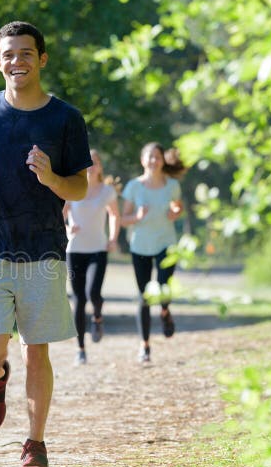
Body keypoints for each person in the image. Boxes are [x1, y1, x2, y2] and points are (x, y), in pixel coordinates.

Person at [0, 21, 91, 467]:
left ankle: (34, 443)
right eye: (8, 54)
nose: (17, 62)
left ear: (42, 58)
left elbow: (80, 187)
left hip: (44, 248)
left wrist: (52, 178)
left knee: (38, 349)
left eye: (26, 53)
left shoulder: (65, 118)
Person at [120, 142, 185, 364]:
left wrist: (175, 212)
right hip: (140, 246)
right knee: (145, 297)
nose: (154, 161)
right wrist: (137, 217)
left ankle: (165, 311)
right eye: (149, 157)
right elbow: (123, 219)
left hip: (166, 243)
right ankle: (144, 345)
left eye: (157, 157)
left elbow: (178, 207)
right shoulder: (134, 187)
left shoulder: (172, 185)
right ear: (142, 160)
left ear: (162, 161)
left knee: (164, 289)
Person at [62, 149, 120, 366]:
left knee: (93, 293)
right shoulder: (73, 189)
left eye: (94, 162)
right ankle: (81, 349)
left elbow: (114, 215)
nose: (90, 166)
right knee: (78, 300)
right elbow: (61, 215)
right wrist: (68, 228)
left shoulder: (107, 192)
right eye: (87, 162)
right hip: (74, 249)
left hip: (98, 249)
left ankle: (97, 317)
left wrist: (113, 238)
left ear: (100, 167)